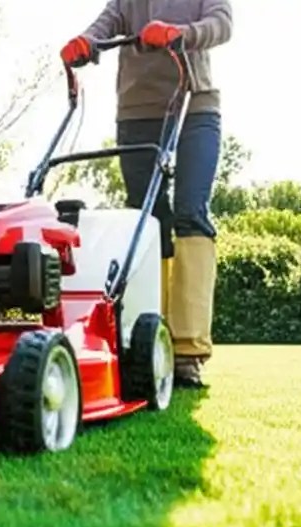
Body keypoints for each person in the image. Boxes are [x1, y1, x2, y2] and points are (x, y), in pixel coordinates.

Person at [61, 0, 233, 388]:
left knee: (191, 214)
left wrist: (181, 34)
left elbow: (222, 23)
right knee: (146, 222)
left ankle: (187, 349)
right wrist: (85, 43)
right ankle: (147, 339)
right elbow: (105, 24)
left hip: (195, 105)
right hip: (137, 113)